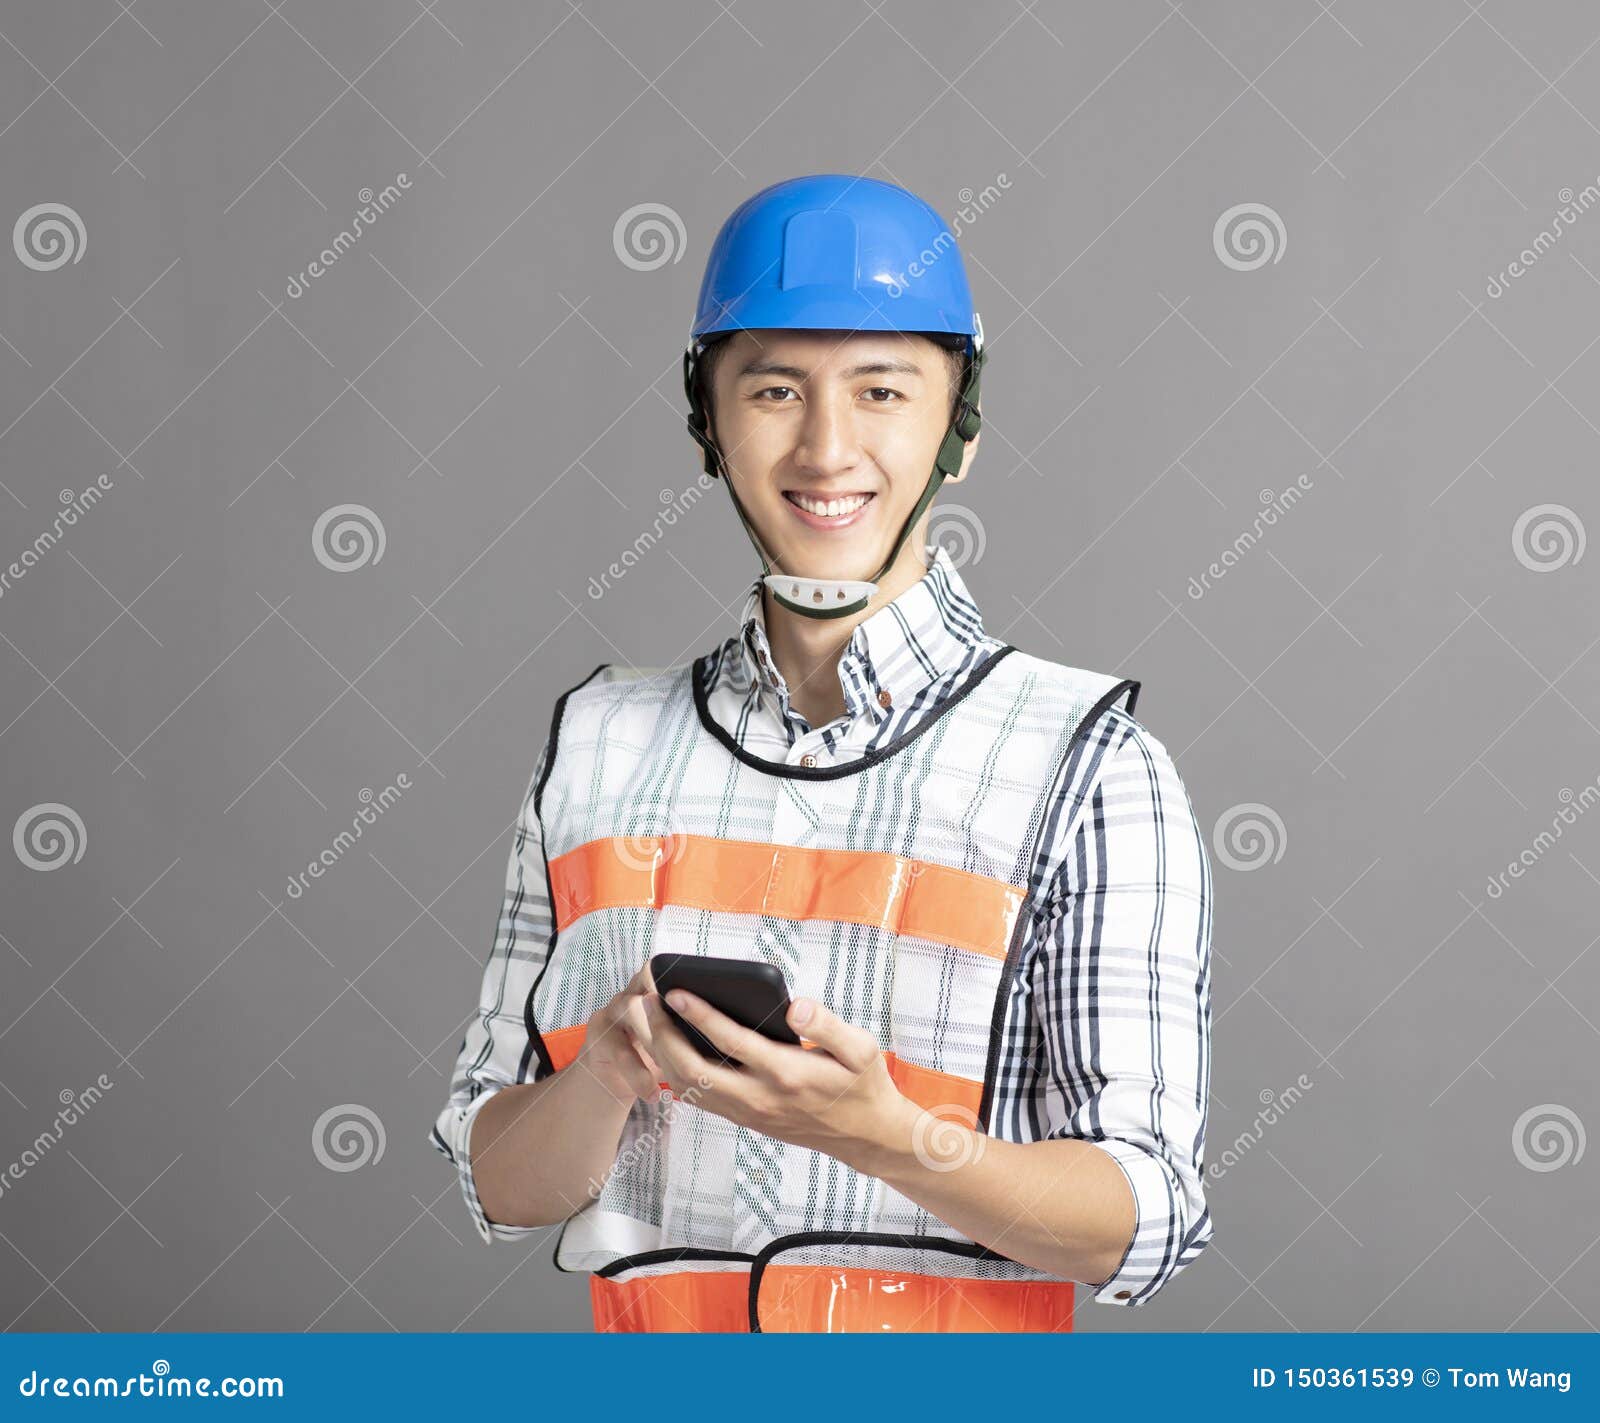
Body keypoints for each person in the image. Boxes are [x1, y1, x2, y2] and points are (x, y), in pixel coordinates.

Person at [429, 173, 1214, 1332]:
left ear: (960, 430)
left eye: (883, 389)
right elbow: (498, 1184)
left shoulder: (1087, 765)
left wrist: (890, 1138)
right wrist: (602, 1072)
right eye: (774, 388)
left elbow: (1144, 1214)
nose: (826, 444)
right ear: (709, 423)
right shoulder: (595, 746)